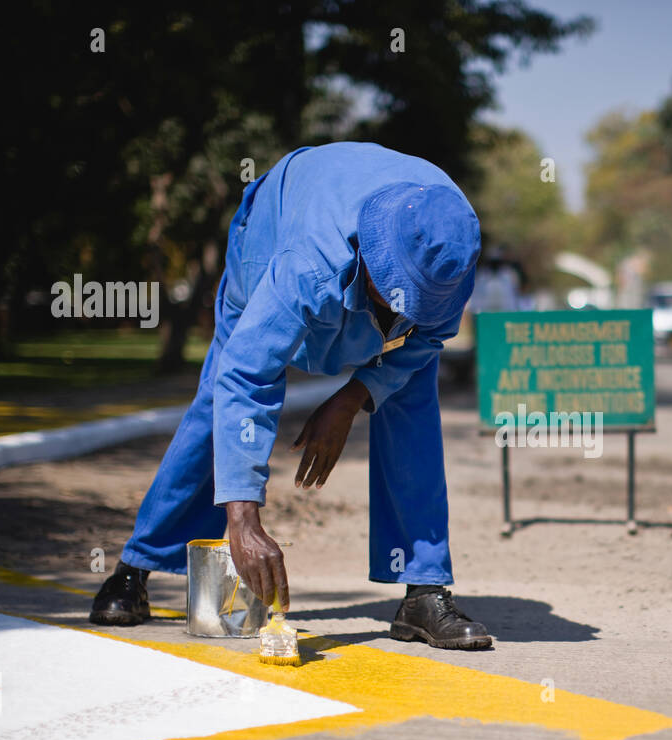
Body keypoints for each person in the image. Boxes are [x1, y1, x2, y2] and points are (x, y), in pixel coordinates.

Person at [89, 142, 493, 650]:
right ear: (369, 255)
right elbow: (247, 377)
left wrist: (354, 398)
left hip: (352, 233)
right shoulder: (307, 261)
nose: (399, 309)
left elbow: (430, 338)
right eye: (391, 290)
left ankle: (424, 590)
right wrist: (243, 516)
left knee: (411, 398)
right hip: (268, 234)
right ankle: (136, 567)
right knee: (219, 400)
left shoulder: (451, 252)